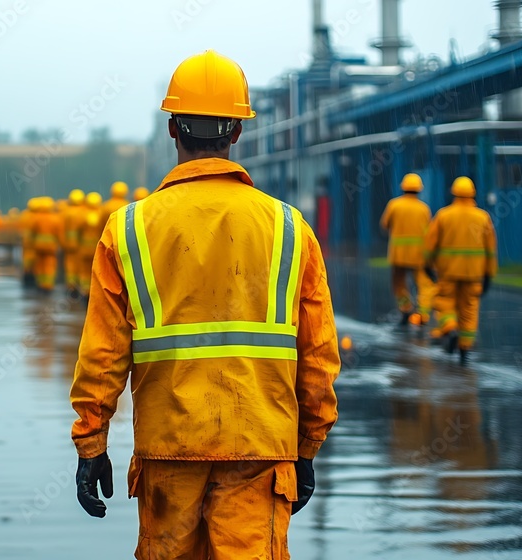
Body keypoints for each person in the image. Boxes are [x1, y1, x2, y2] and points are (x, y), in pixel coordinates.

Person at [69, 50, 340, 558]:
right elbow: (319, 354)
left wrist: (92, 443)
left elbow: (102, 352)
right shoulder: (289, 228)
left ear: (173, 128)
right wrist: (307, 447)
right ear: (237, 132)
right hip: (261, 450)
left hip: (168, 450)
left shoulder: (127, 229)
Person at [424, 176, 498, 364]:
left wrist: (427, 264)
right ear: (473, 194)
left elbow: (430, 244)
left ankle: (450, 328)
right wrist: (489, 274)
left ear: (454, 193)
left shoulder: (443, 215)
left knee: (444, 302)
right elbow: (490, 251)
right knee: (469, 309)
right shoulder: (483, 217)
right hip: (474, 273)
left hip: (448, 271)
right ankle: (465, 348)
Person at [380, 173, 434, 325]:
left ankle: (405, 308)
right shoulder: (424, 209)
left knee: (399, 282)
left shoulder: (394, 205)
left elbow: (384, 225)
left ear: (403, 188)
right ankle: (423, 313)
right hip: (418, 254)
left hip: (398, 253)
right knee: (424, 284)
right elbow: (429, 232)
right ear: (419, 189)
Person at [30, 197, 63, 292]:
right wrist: (61, 245)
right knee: (49, 265)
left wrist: (32, 244)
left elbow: (32, 232)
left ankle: (40, 283)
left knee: (39, 264)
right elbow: (59, 234)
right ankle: (48, 285)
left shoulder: (36, 218)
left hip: (38, 246)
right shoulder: (56, 219)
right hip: (51, 247)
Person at [76, 192, 103, 300]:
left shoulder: (82, 214)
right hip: (97, 249)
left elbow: (78, 231)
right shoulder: (101, 213)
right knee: (97, 270)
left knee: (84, 272)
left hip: (84, 249)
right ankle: (96, 293)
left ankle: (85, 293)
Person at [62, 189, 88, 297]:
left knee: (70, 267)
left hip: (69, 246)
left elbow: (61, 229)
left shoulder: (65, 212)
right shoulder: (85, 212)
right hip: (82, 246)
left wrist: (63, 243)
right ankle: (82, 288)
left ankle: (71, 288)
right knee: (82, 268)